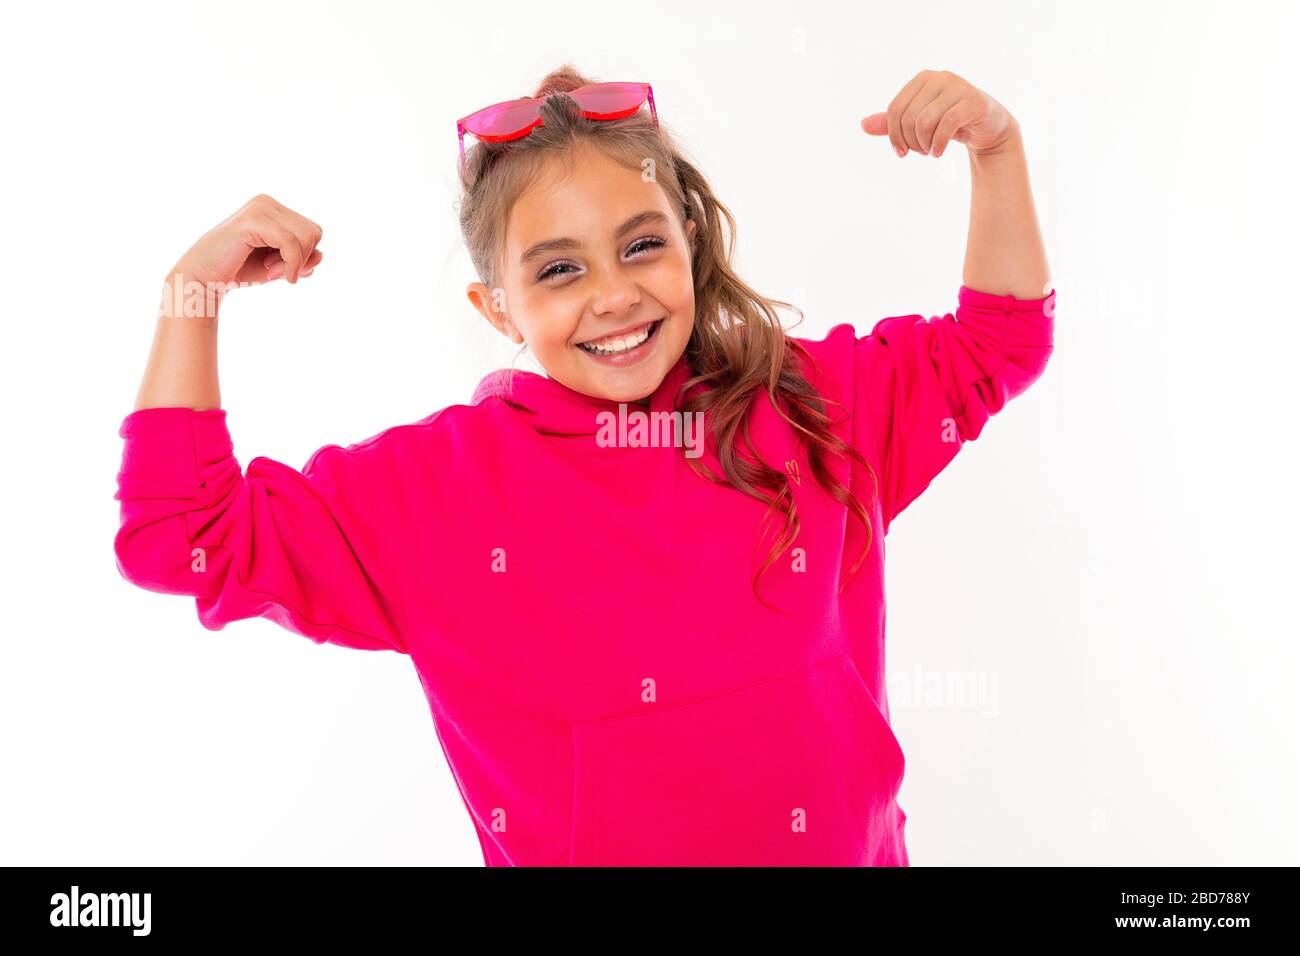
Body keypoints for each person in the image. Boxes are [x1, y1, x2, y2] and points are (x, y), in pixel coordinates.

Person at [114, 64, 1055, 866]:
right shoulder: (435, 494)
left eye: (642, 245)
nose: (613, 296)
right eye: (558, 270)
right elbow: (182, 536)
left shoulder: (809, 408)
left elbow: (998, 342)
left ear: (691, 243)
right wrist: (190, 295)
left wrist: (997, 148)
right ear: (496, 310)